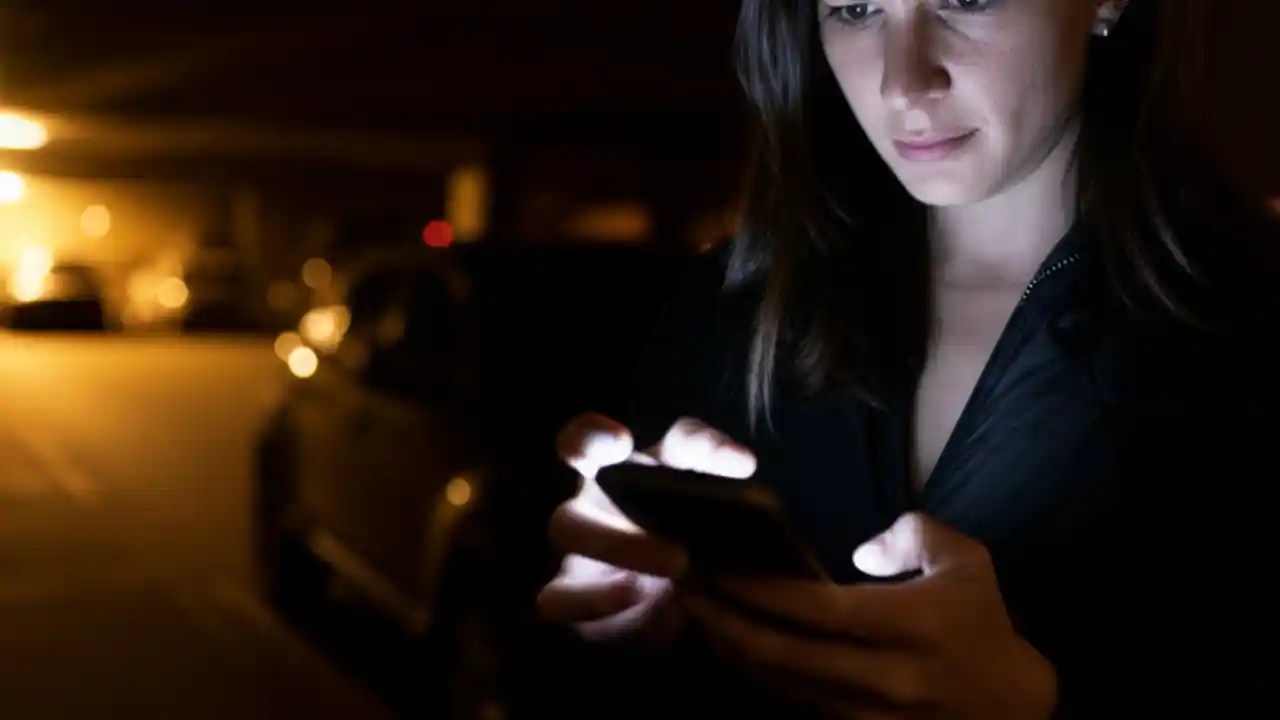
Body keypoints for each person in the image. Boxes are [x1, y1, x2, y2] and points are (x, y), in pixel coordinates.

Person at [536, 1, 1277, 717]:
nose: (903, 80)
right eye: (855, 8)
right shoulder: (730, 315)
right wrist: (624, 616)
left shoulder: (1244, 333)